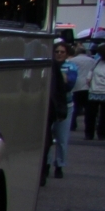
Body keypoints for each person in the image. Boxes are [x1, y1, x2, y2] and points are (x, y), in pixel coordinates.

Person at [44, 41, 72, 182]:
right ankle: (46, 165)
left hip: (61, 105)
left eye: (62, 52)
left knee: (61, 138)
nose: (59, 54)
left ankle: (59, 165)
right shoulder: (49, 63)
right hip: (48, 105)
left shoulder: (70, 66)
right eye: (57, 52)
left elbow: (66, 86)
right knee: (46, 138)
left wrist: (61, 110)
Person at [68, 39, 97, 131]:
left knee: (75, 107)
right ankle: (88, 126)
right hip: (88, 85)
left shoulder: (73, 60)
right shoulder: (92, 61)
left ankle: (72, 125)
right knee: (88, 108)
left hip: (76, 85)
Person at [87, 41, 105, 141]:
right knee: (93, 115)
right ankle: (92, 134)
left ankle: (98, 134)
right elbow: (91, 71)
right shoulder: (98, 61)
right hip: (95, 90)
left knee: (103, 115)